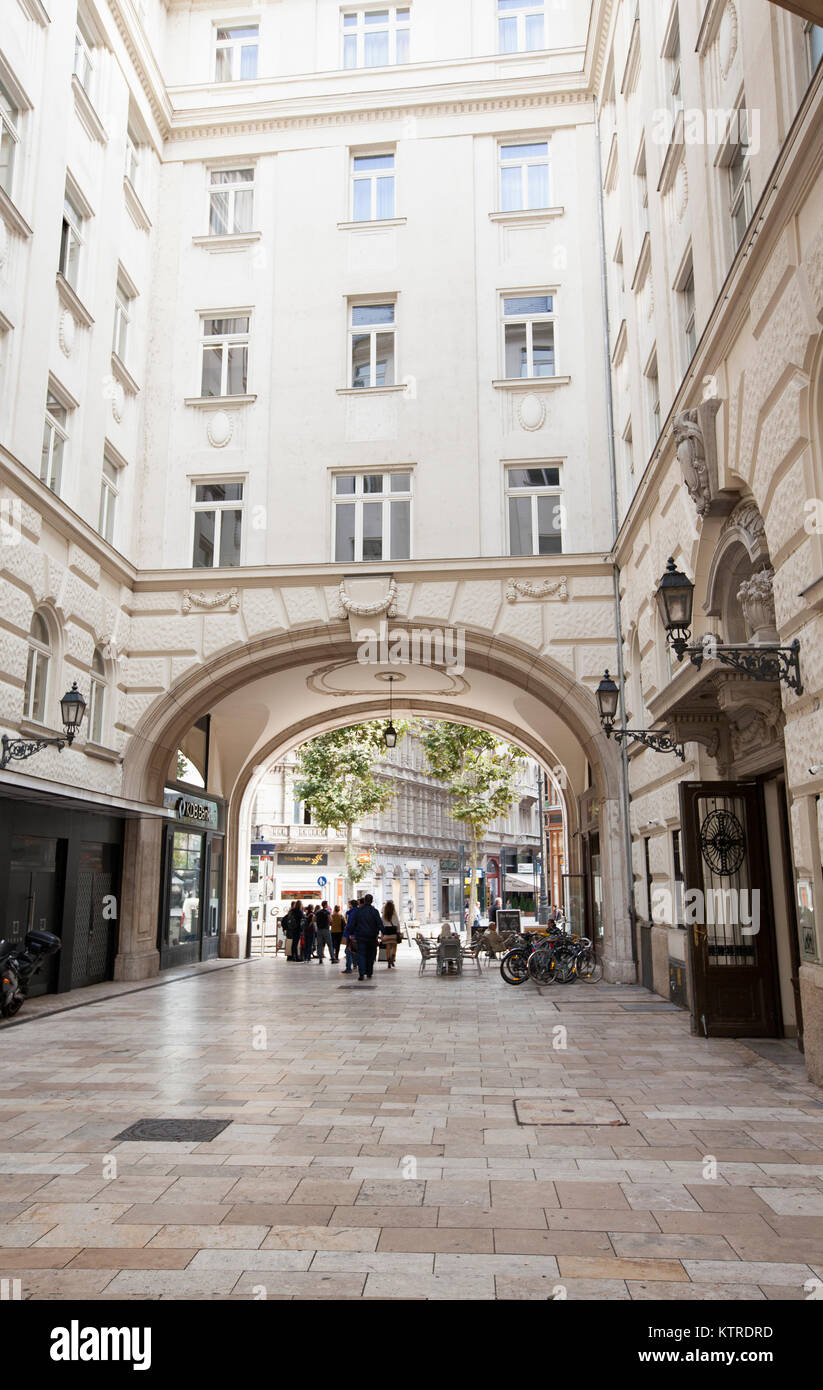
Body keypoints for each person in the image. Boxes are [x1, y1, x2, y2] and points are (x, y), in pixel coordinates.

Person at [350, 893, 382, 981]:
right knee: (371, 955)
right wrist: (383, 933)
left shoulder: (359, 911)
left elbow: (353, 923)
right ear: (371, 901)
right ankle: (369, 972)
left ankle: (361, 973)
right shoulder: (374, 911)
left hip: (361, 937)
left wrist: (351, 933)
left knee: (361, 954)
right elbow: (379, 923)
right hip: (372, 937)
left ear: (364, 901)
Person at [381, 899, 401, 969]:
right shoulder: (394, 914)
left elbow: (382, 925)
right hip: (394, 933)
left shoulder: (384, 915)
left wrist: (382, 934)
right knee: (395, 946)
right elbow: (398, 923)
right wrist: (398, 931)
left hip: (387, 933)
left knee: (388, 947)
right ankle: (393, 958)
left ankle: (388, 961)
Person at [342, 899, 359, 975]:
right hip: (356, 933)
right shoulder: (358, 911)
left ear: (351, 905)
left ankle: (348, 968)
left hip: (351, 934)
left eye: (349, 904)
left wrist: (347, 928)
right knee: (354, 949)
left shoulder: (352, 913)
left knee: (348, 950)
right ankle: (355, 964)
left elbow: (351, 924)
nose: (348, 905)